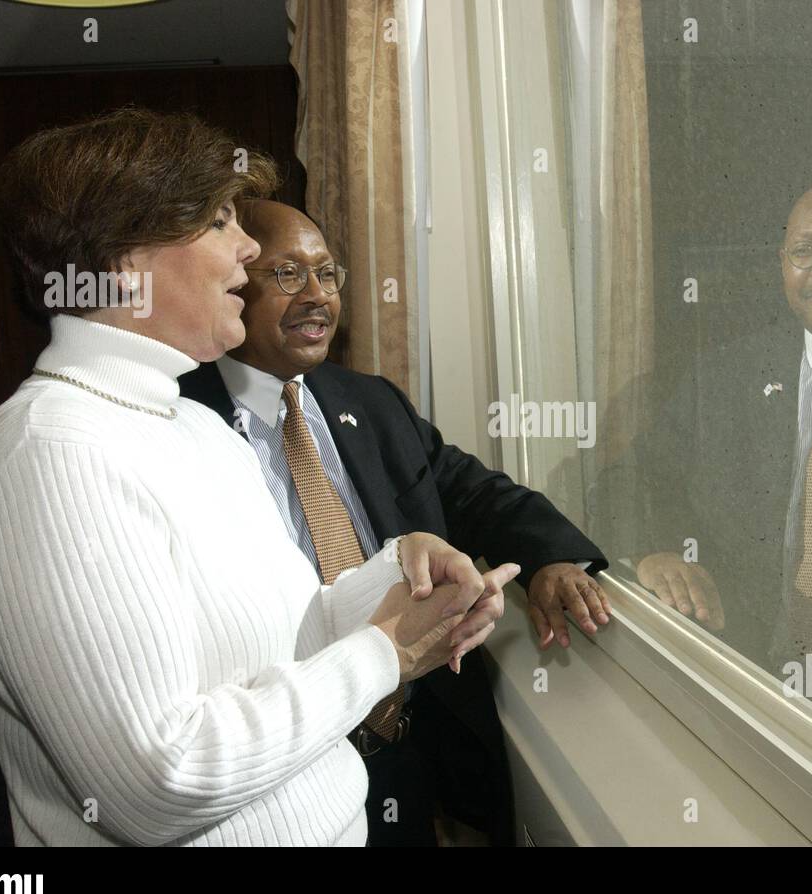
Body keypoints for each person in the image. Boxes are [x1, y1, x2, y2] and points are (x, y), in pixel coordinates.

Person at [0, 107, 516, 846]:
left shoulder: (195, 427)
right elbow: (161, 779)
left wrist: (399, 584)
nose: (247, 248)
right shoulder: (48, 457)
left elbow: (290, 633)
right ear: (126, 256)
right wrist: (386, 652)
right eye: (220, 221)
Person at [179, 198, 610, 845]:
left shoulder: (370, 403)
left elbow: (472, 492)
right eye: (288, 275)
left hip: (408, 755)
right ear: (237, 280)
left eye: (328, 274)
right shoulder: (181, 424)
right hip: (284, 770)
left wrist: (552, 558)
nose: (318, 296)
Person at [598, 177, 812, 743]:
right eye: (804, 251)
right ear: (782, 266)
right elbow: (629, 478)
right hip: (759, 684)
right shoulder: (723, 378)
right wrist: (654, 549)